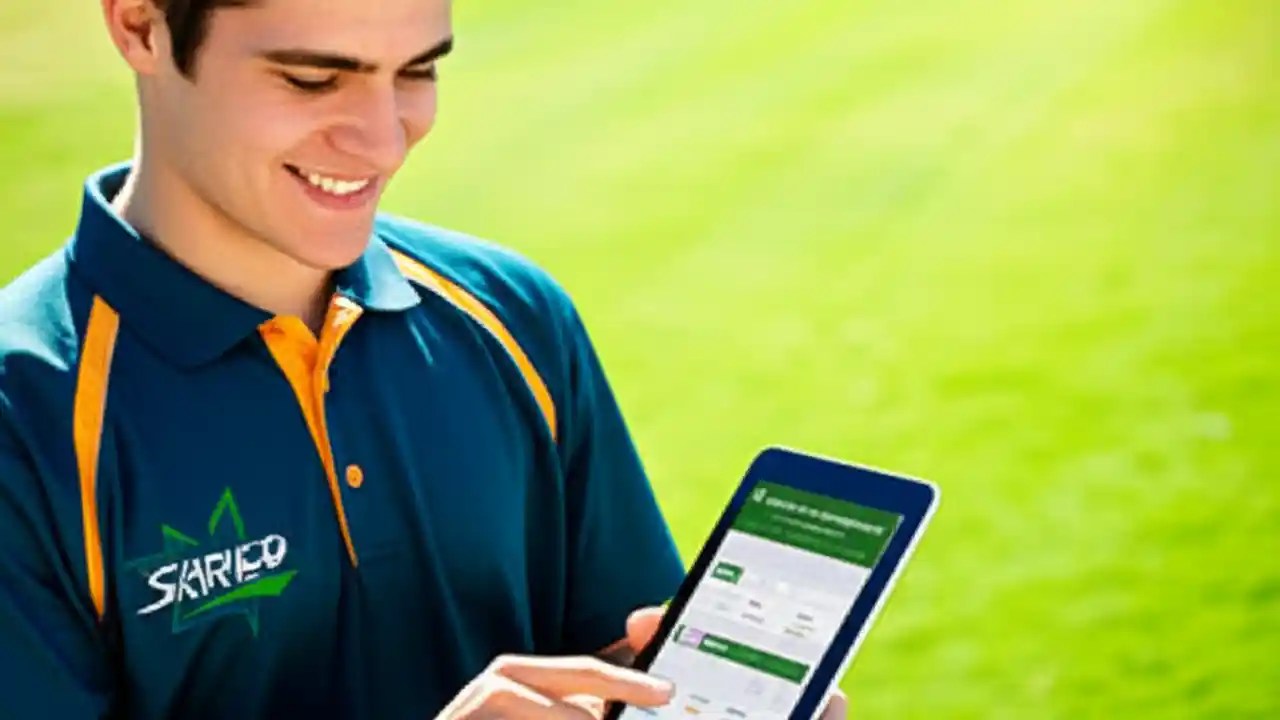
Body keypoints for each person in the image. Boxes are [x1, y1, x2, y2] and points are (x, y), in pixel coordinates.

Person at [0, 0, 849, 717]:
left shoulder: (515, 314)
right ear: (142, 26)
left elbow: (608, 659)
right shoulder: (23, 409)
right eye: (313, 79)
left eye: (416, 72)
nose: (382, 140)